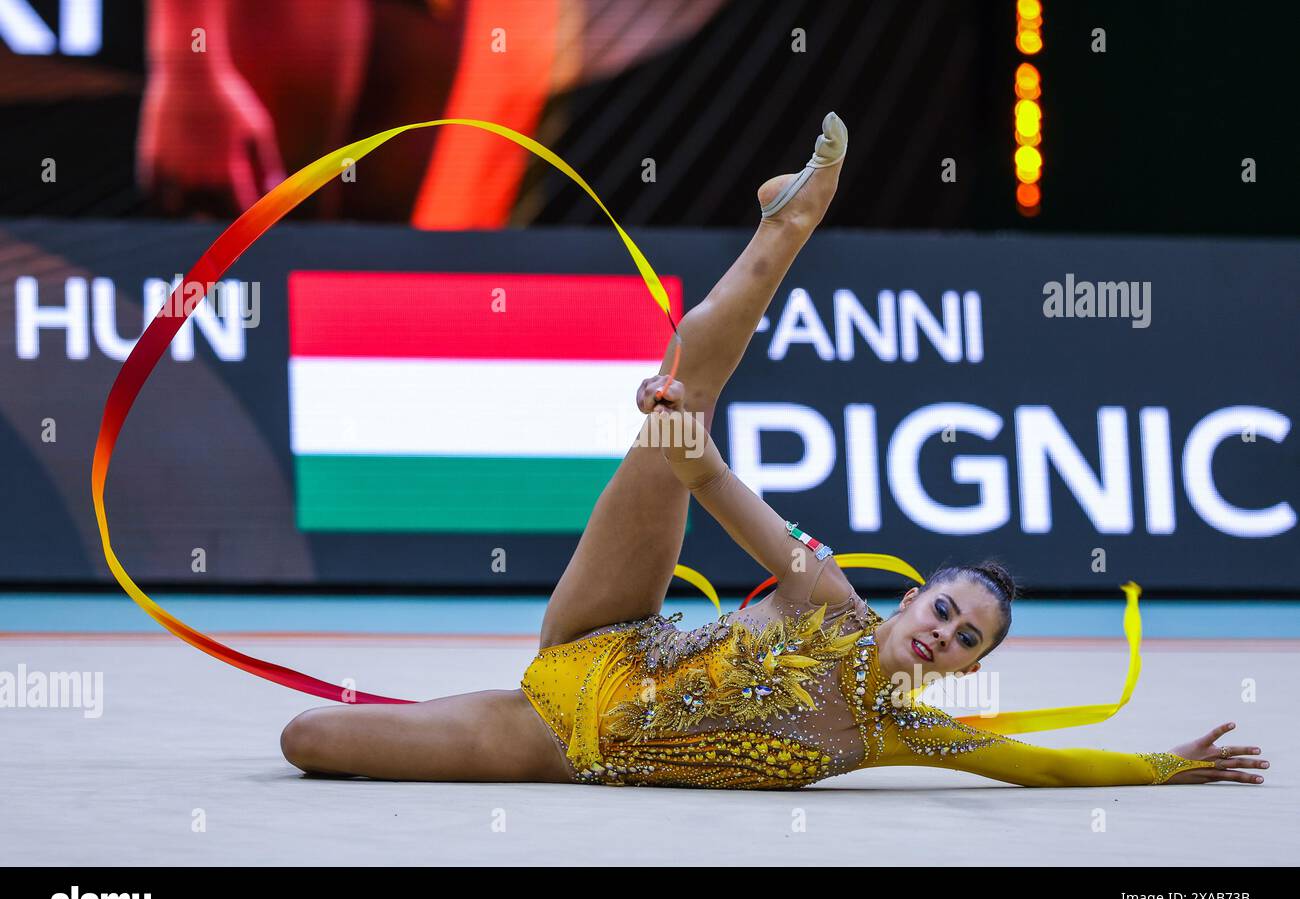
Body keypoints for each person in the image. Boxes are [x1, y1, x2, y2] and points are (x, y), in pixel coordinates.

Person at [279, 113, 1268, 789]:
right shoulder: (826, 594)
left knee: (309, 740)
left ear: (964, 670)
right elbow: (710, 479)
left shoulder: (905, 730)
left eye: (966, 637)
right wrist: (673, 430)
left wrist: (1163, 764)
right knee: (688, 397)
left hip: (555, 736)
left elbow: (1042, 765)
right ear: (916, 594)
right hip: (605, 634)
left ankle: (769, 240)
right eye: (945, 607)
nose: (943, 632)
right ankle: (787, 222)